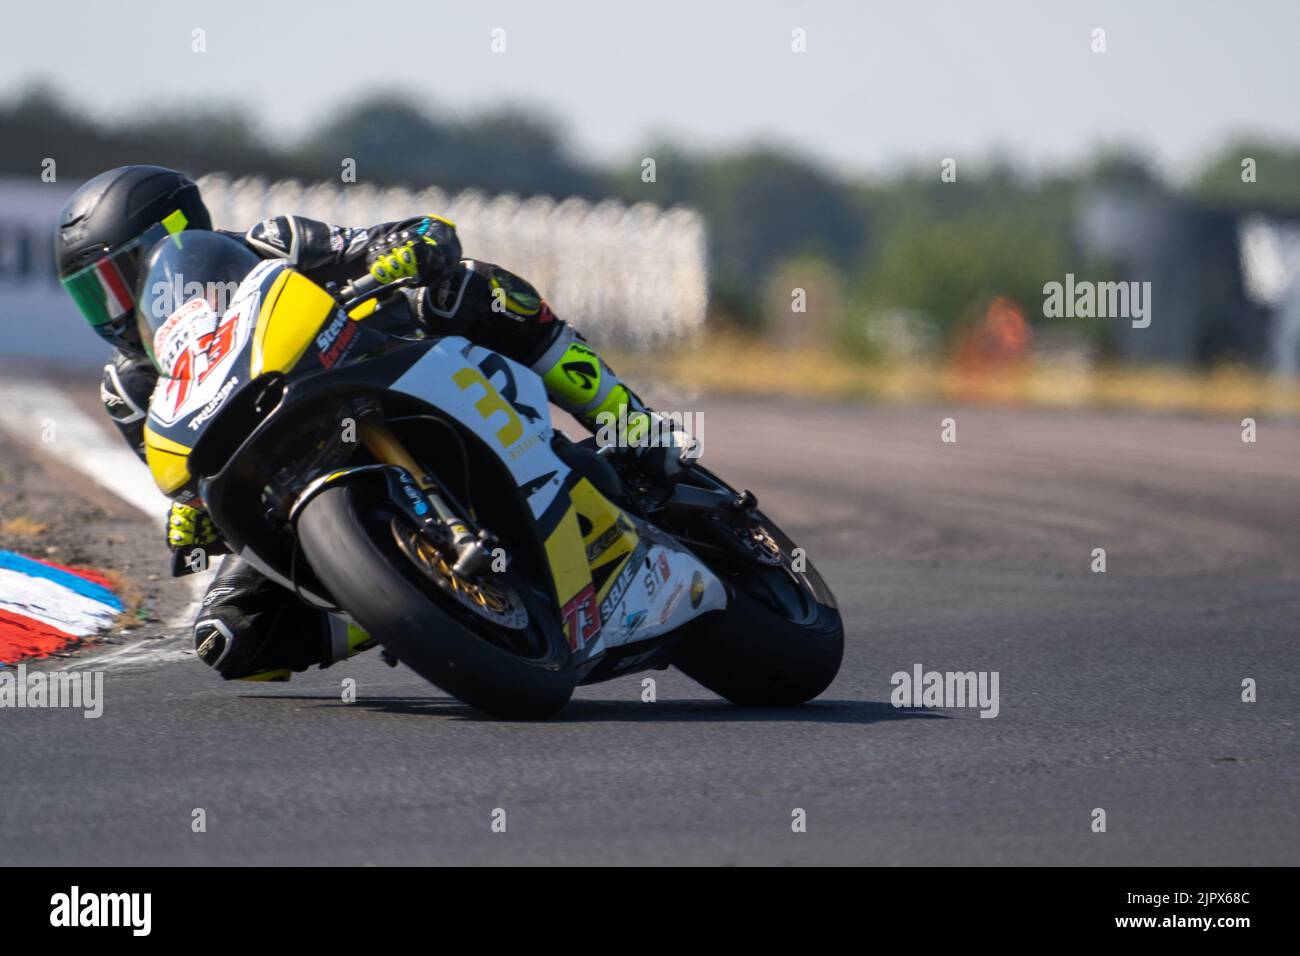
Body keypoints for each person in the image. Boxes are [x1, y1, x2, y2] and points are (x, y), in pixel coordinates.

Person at [55, 165, 694, 681]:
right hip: (286, 473)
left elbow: (380, 241)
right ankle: (400, 596)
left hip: (385, 371)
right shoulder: (129, 386)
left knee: (470, 288)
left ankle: (630, 426)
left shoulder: (271, 244)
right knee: (228, 638)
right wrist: (191, 513)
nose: (111, 311)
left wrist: (400, 248)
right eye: (92, 295)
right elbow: (178, 478)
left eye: (115, 280)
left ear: (170, 237)